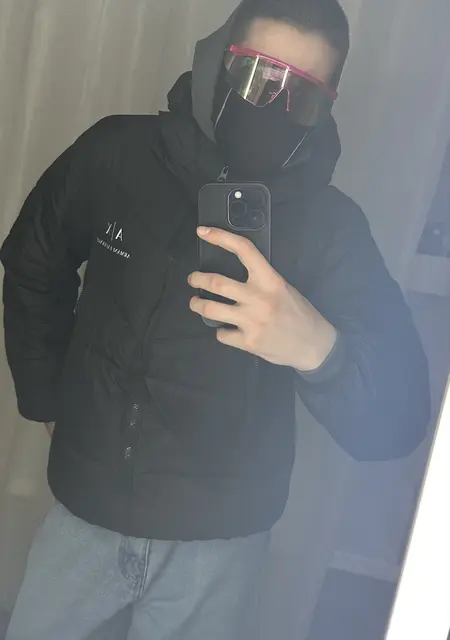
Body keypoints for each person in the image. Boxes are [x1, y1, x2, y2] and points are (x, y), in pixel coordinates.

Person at [1, 1, 430, 639]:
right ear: (219, 61)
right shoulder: (116, 154)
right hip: (84, 511)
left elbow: (399, 421)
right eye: (259, 77)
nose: (275, 106)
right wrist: (46, 399)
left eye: (303, 95)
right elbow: (33, 264)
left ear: (327, 106)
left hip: (219, 546)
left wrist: (321, 349)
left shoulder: (331, 228)